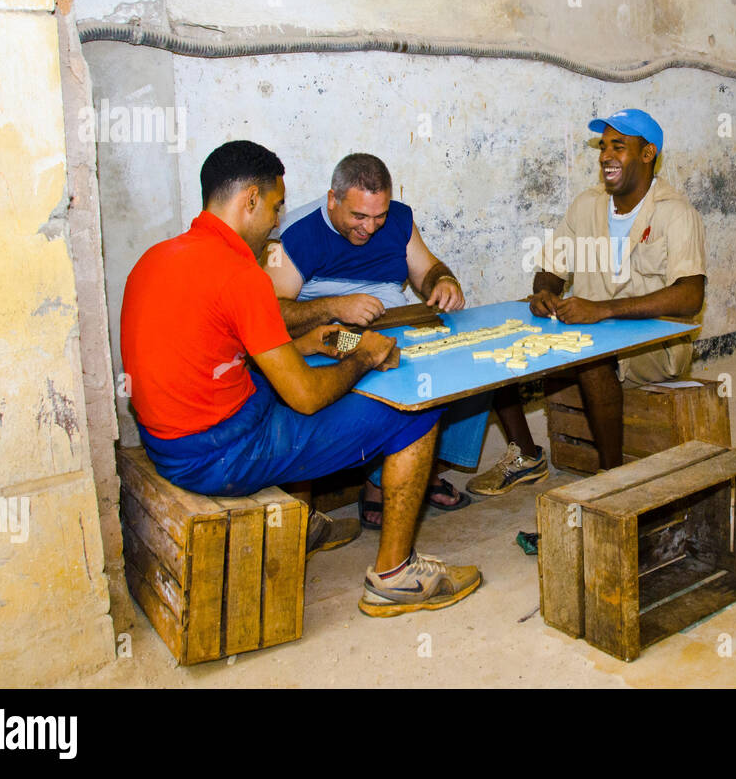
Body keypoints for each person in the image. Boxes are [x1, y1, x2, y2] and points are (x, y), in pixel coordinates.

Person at [120, 140, 480, 616]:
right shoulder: (240, 274)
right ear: (249, 200)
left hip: (167, 439)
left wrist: (334, 343)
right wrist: (363, 358)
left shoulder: (156, 257)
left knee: (298, 367)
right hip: (218, 455)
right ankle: (395, 576)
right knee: (419, 411)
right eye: (273, 206)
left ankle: (307, 523)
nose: (275, 220)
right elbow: (307, 397)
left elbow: (279, 348)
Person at [263, 153, 524, 526]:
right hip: (337, 341)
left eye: (378, 216)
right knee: (391, 375)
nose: (369, 228)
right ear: (333, 199)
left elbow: (428, 269)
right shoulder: (295, 234)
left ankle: (414, 469)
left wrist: (443, 282)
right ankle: (387, 479)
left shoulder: (399, 219)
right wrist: (336, 306)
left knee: (473, 364)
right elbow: (272, 313)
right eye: (358, 217)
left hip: (398, 326)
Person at [468, 108, 706, 489]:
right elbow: (552, 267)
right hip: (589, 330)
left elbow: (691, 296)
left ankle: (612, 478)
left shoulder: (675, 213)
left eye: (619, 146)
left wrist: (604, 310)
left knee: (591, 362)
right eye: (603, 146)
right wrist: (544, 292)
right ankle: (527, 456)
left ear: (648, 155)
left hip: (651, 348)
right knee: (501, 343)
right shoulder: (587, 204)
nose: (606, 155)